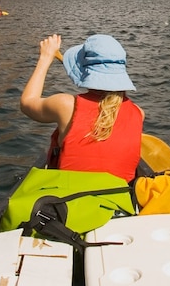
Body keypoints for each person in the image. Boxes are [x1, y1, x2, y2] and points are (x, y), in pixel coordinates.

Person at [20, 34, 144, 182]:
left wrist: (45, 59)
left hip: (68, 201)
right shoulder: (139, 113)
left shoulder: (65, 105)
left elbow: (27, 103)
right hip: (117, 202)